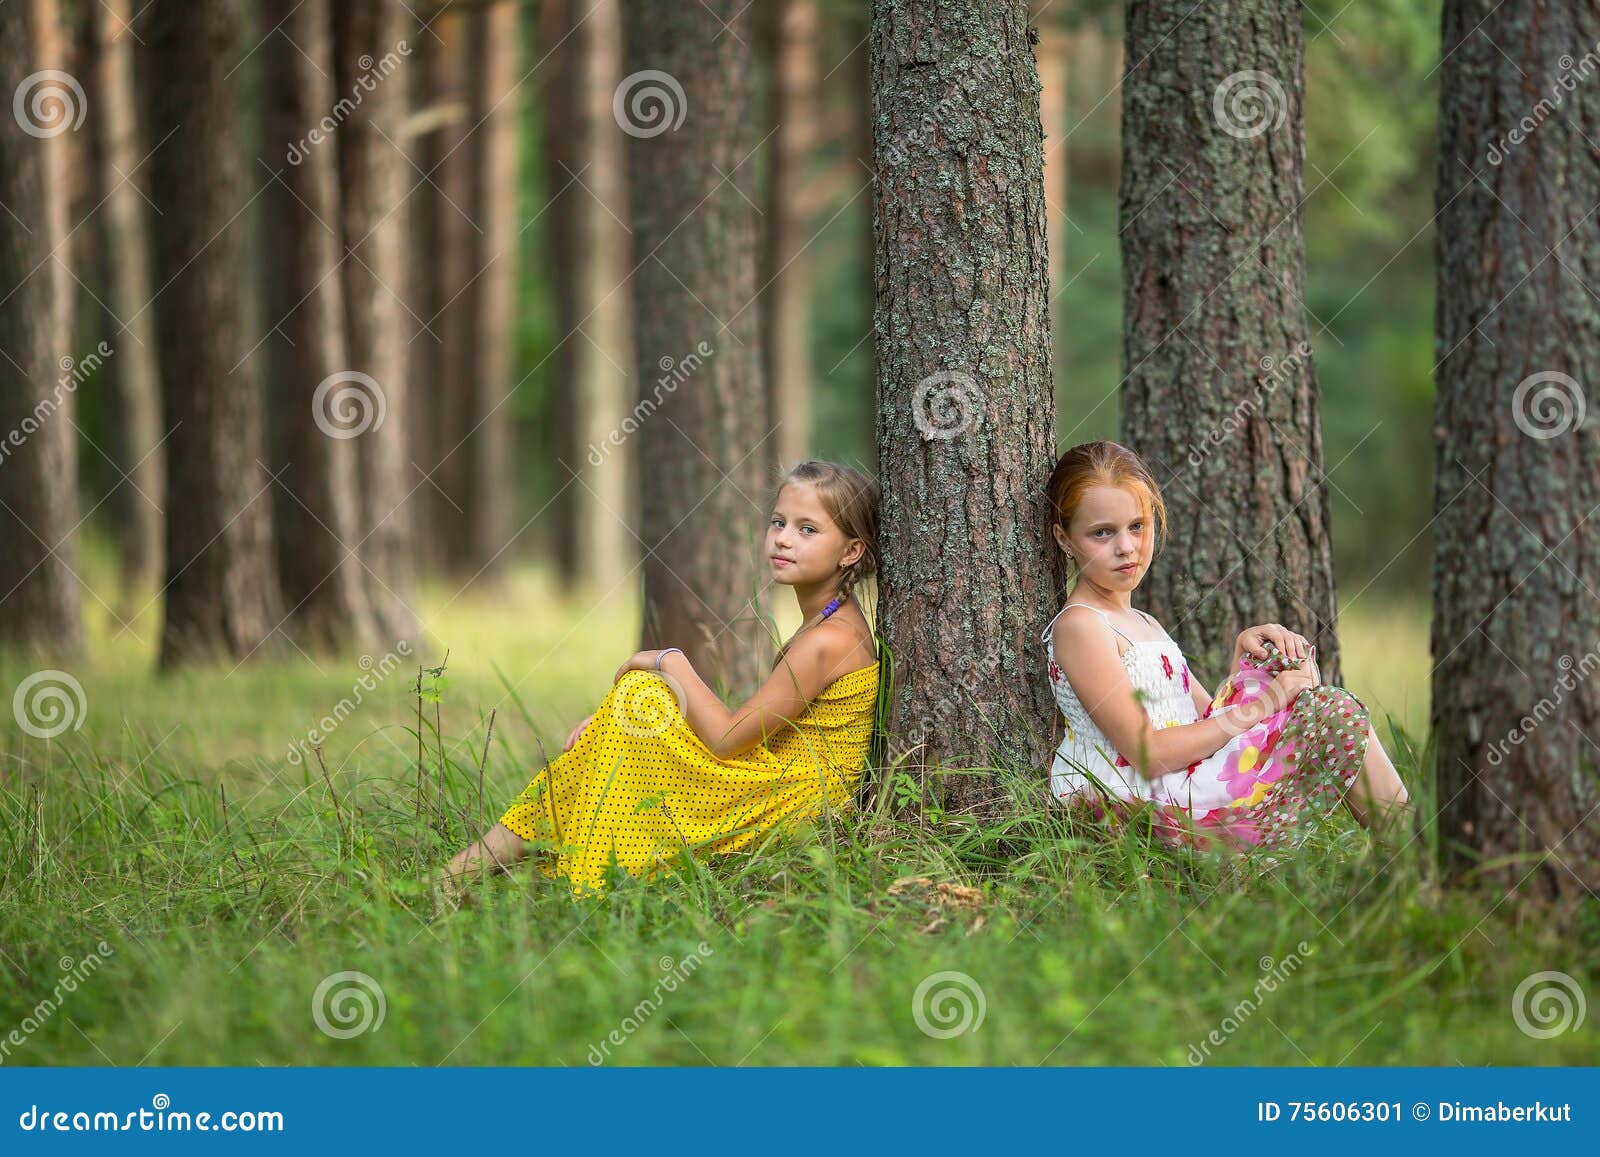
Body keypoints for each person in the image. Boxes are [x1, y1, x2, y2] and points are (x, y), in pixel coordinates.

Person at [437, 459, 882, 902]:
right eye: (778, 522)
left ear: (851, 551)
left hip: (787, 805)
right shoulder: (831, 623)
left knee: (640, 693)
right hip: (773, 784)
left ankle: (548, 880)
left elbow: (729, 738)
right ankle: (477, 873)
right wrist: (618, 717)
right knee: (636, 706)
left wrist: (669, 659)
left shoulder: (828, 641)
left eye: (808, 530)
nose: (783, 538)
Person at [1040, 440, 1412, 854]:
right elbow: (1147, 754)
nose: (1126, 547)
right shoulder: (1081, 626)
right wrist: (1268, 701)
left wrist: (1246, 670)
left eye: (1137, 526)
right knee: (1331, 714)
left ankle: (1408, 853)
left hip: (1178, 782)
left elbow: (1206, 721)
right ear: (1064, 538)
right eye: (1102, 533)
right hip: (1133, 803)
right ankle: (1411, 856)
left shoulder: (1145, 623)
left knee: (1328, 710)